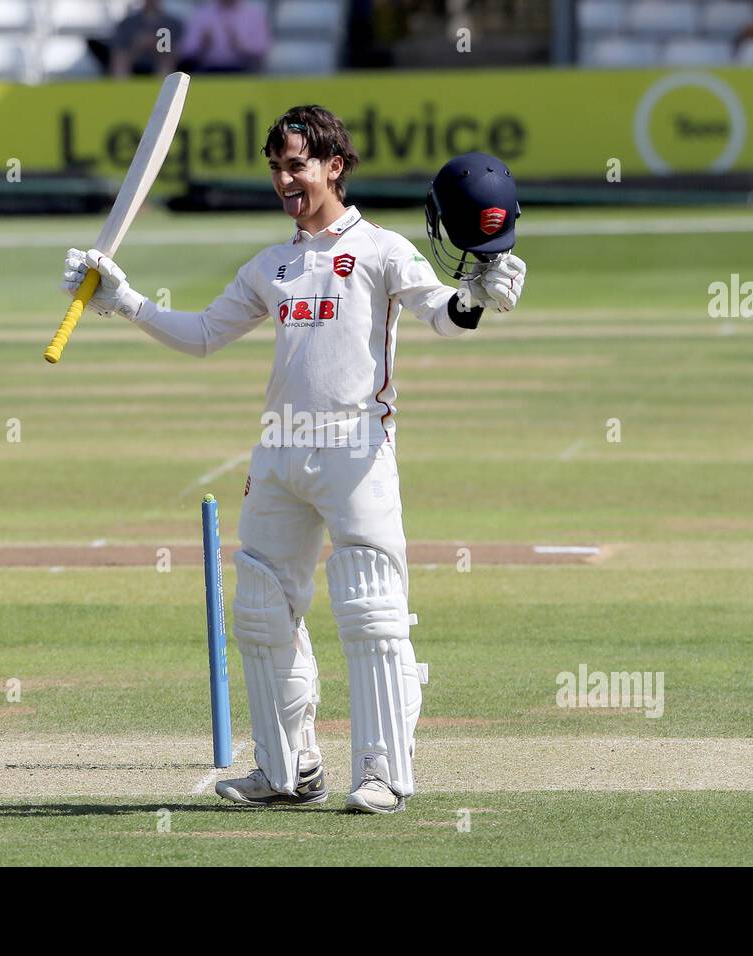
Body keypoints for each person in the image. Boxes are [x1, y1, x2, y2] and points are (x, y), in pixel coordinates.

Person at [60, 106, 525, 814]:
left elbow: (443, 310)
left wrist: (477, 299)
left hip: (356, 447)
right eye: (276, 167)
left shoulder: (380, 249)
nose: (285, 179)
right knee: (259, 610)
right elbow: (205, 335)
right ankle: (287, 771)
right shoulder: (270, 266)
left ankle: (381, 774)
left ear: (334, 166)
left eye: (297, 165)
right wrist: (125, 301)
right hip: (278, 447)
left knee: (370, 611)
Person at [178, 0, 271, 73]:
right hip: (207, 70)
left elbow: (262, 50)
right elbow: (185, 51)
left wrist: (241, 47)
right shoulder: (201, 14)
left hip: (243, 70)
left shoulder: (254, 14)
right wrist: (202, 45)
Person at [109, 0, 184, 78]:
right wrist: (138, 46)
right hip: (133, 59)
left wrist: (157, 46)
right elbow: (119, 50)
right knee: (120, 60)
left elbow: (177, 52)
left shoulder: (173, 23)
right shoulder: (127, 23)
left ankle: (165, 87)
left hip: (160, 60)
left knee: (167, 62)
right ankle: (121, 86)